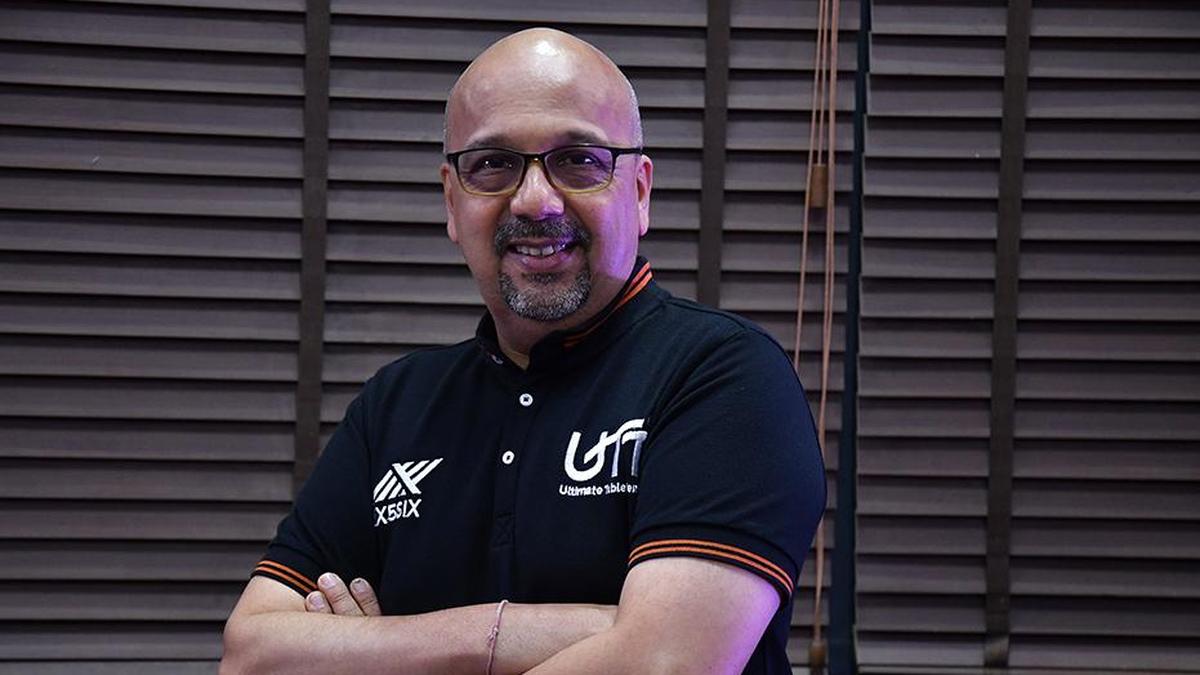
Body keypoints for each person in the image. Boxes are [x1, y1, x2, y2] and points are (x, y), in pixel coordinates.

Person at [220, 27, 825, 675]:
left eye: (579, 159)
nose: (535, 200)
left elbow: (664, 664)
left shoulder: (723, 376)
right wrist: (530, 631)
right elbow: (252, 654)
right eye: (493, 164)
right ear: (453, 202)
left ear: (640, 191)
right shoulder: (396, 403)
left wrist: (374, 649)